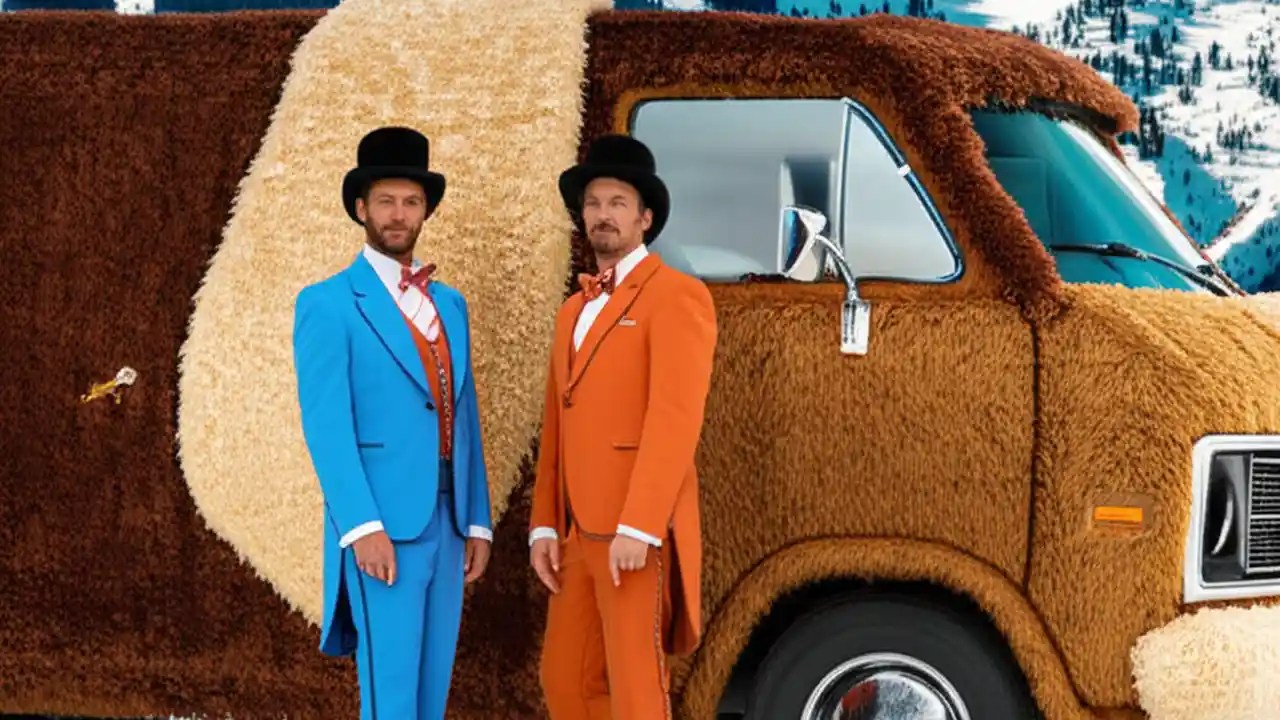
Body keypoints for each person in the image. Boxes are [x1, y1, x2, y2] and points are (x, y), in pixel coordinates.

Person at [292, 126, 493, 720]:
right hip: (384, 527)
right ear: (361, 208)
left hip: (449, 523)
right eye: (386, 201)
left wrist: (477, 520)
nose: (398, 214)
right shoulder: (327, 304)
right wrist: (361, 526)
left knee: (432, 698)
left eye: (411, 201)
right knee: (391, 702)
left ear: (425, 210)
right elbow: (326, 427)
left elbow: (465, 413)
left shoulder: (450, 303)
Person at [528, 133, 718, 719]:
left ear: (645, 218)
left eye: (617, 203)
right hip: (577, 534)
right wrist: (543, 525)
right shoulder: (573, 310)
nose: (602, 215)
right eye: (593, 203)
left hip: (634, 532)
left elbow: (675, 418)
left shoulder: (678, 296)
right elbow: (558, 423)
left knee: (636, 690)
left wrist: (641, 524)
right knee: (564, 680)